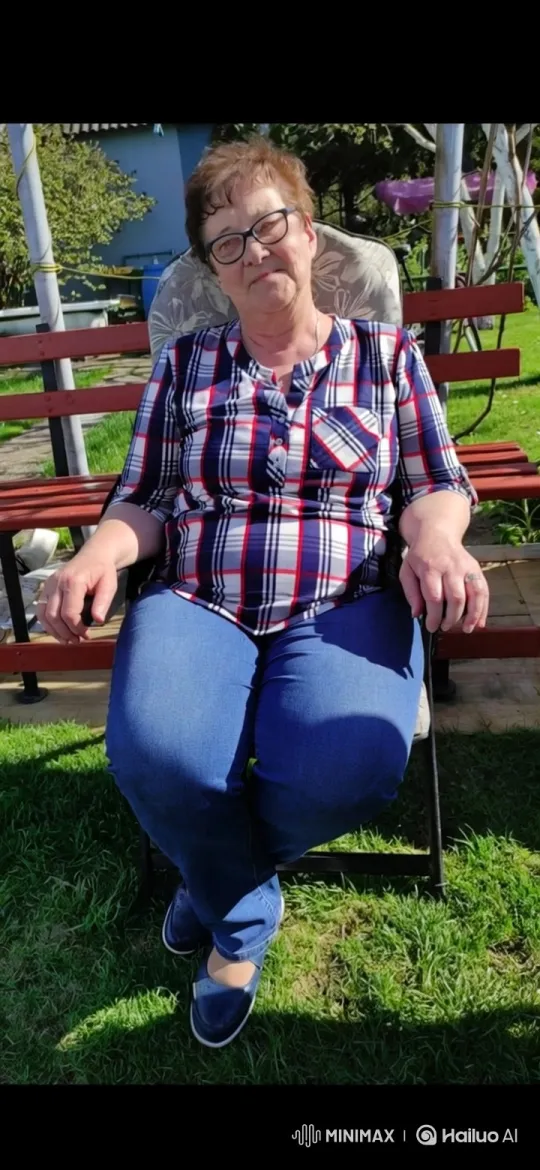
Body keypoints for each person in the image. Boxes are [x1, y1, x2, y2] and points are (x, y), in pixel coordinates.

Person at [37, 136, 489, 1049]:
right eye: (226, 243)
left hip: (348, 594)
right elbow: (146, 497)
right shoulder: (186, 364)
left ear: (308, 231)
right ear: (213, 267)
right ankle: (243, 915)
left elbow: (436, 480)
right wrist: (99, 553)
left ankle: (214, 883)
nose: (253, 253)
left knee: (352, 765)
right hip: (201, 591)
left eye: (267, 226)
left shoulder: (387, 355)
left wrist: (437, 538)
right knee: (158, 757)